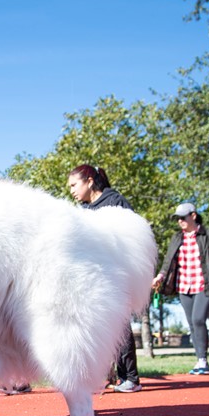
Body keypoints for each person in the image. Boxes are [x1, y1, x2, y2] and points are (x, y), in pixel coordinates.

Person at [68, 164, 142, 392]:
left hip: (116, 272)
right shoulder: (81, 211)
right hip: (91, 277)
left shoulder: (115, 202)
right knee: (93, 326)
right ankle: (103, 374)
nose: (71, 190)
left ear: (89, 181)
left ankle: (130, 378)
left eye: (74, 185)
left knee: (119, 325)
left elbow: (133, 236)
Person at [152, 202, 209, 375]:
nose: (180, 221)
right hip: (184, 286)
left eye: (182, 218)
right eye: (177, 219)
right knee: (192, 324)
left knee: (198, 319)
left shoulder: (208, 234)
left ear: (193, 216)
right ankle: (200, 360)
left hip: (205, 284)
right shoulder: (177, 238)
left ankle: (203, 361)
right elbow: (168, 261)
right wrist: (160, 276)